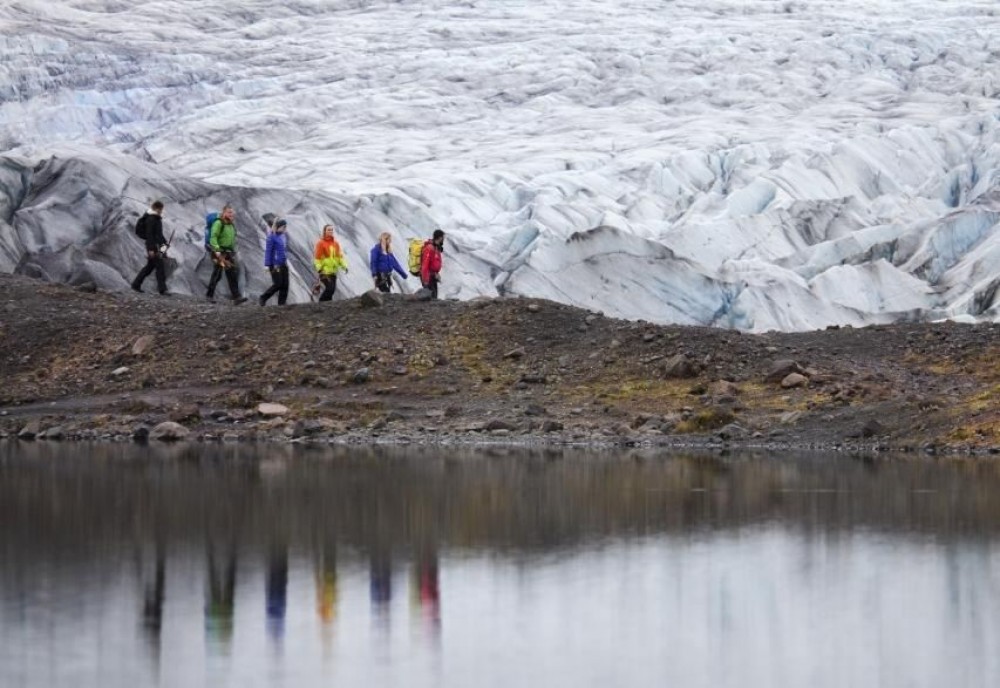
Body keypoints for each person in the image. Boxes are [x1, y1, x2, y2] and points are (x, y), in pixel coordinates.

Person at [206, 205, 247, 304]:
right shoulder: (218, 223)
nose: (231, 214)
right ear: (224, 212)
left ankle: (237, 297)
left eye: (232, 212)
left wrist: (233, 250)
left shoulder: (230, 225)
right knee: (217, 274)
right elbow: (213, 237)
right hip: (219, 252)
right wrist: (217, 250)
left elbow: (232, 239)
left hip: (228, 252)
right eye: (229, 212)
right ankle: (209, 295)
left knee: (231, 274)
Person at [131, 200, 169, 295]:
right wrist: (151, 249)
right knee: (160, 267)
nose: (161, 211)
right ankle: (162, 290)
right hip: (153, 246)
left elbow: (159, 235)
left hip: (156, 246)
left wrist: (164, 245)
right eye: (160, 209)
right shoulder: (152, 219)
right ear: (156, 208)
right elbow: (150, 235)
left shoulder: (156, 218)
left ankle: (136, 284)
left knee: (149, 267)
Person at [259, 218, 289, 306]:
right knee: (278, 284)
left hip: (283, 264)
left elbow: (284, 251)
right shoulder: (271, 237)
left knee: (285, 285)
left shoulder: (283, 237)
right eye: (283, 227)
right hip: (275, 265)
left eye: (285, 227)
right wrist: (267, 265)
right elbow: (268, 251)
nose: (284, 229)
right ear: (278, 227)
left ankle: (281, 304)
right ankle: (263, 297)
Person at [314, 224, 347, 302]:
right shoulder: (320, 243)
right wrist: (319, 269)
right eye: (329, 230)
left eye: (331, 230)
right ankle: (320, 302)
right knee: (330, 289)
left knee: (331, 291)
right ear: (324, 231)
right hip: (324, 271)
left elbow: (339, 257)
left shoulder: (336, 243)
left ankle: (327, 308)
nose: (330, 231)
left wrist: (344, 266)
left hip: (333, 272)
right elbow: (317, 258)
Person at [420, 229, 446, 299]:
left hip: (433, 276)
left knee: (434, 298)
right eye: (443, 238)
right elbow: (425, 265)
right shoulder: (429, 248)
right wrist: (425, 280)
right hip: (428, 277)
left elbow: (434, 263)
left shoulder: (436, 248)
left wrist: (436, 273)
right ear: (440, 238)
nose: (444, 239)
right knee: (431, 299)